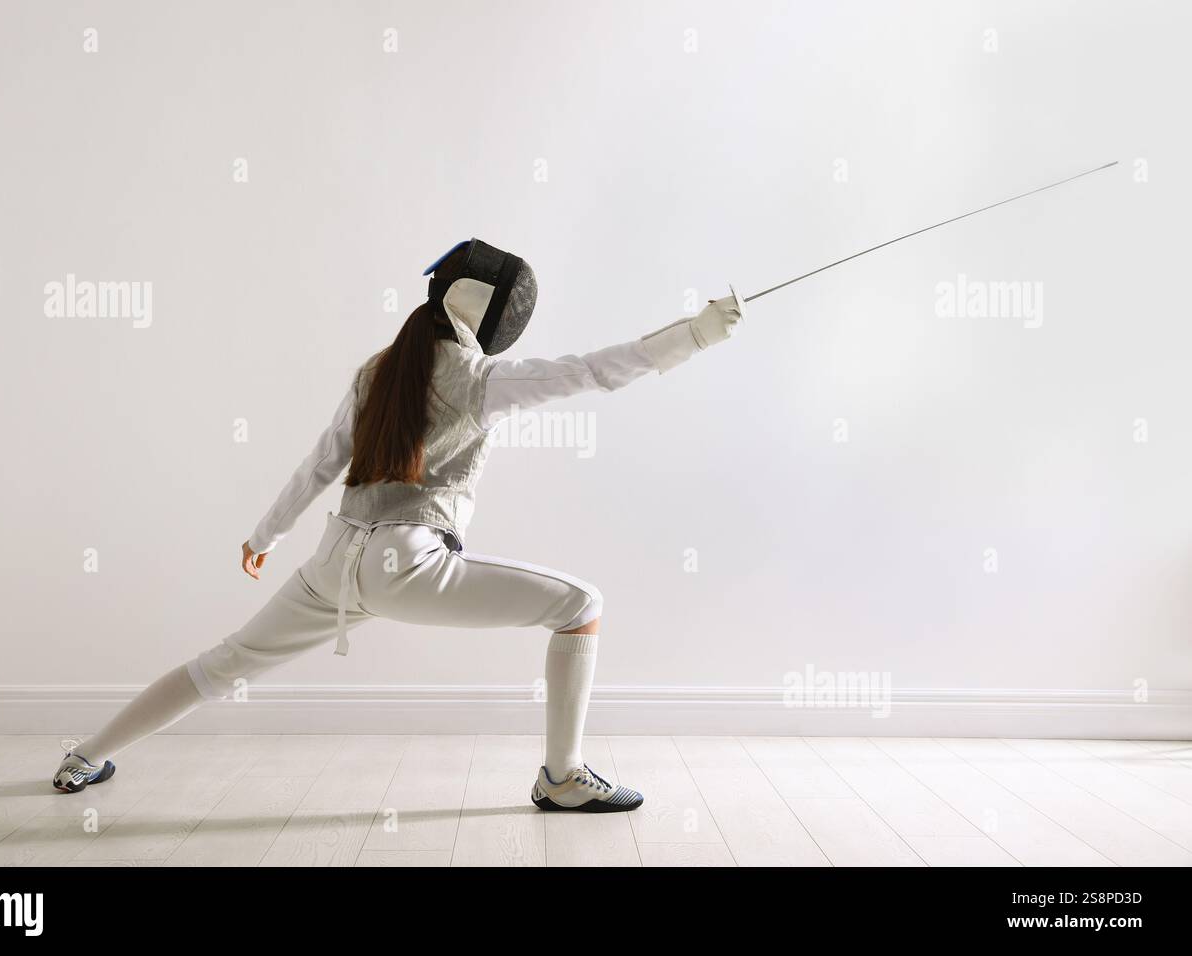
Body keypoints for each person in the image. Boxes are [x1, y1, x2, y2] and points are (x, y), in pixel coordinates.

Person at [53, 238, 744, 812]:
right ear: (492, 311)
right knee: (581, 606)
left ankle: (85, 757)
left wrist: (263, 537)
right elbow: (592, 372)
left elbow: (321, 462)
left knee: (225, 662)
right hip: (406, 565)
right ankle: (561, 777)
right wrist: (699, 333)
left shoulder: (376, 371)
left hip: (332, 561)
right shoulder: (482, 381)